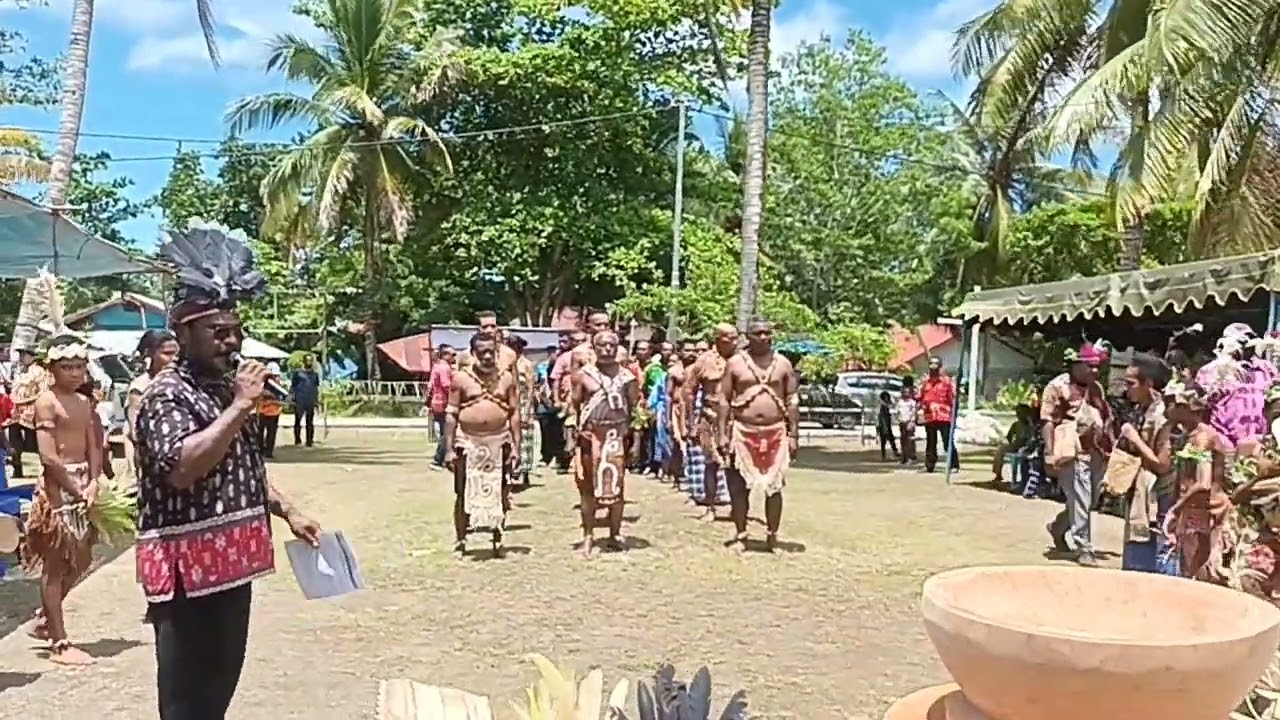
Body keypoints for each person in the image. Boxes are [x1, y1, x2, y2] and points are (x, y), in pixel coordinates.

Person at [134, 224, 321, 720]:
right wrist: (241, 405)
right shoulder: (166, 396)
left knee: (218, 690)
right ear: (184, 333)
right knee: (186, 700)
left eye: (235, 331)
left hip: (232, 564)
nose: (232, 342)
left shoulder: (222, 391)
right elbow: (181, 468)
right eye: (218, 333)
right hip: (187, 572)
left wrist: (285, 510)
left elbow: (241, 464)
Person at [20, 299, 101, 666]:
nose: (75, 372)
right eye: (67, 366)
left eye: (79, 366)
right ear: (52, 369)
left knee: (81, 559)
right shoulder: (46, 403)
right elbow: (49, 456)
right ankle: (60, 642)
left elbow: (94, 444)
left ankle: (44, 620)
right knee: (57, 563)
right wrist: (74, 487)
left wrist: (95, 480)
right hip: (58, 490)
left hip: (85, 484)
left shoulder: (85, 403)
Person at [716, 320, 799, 553]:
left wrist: (794, 434)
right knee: (738, 486)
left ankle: (772, 536)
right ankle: (741, 534)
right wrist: (722, 433)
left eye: (767, 333)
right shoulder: (735, 363)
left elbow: (792, 399)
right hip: (742, 431)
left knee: (774, 487)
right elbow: (724, 399)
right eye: (758, 333)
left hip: (775, 432)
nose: (763, 337)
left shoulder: (782, 364)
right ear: (747, 336)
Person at [443, 332, 520, 557]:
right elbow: (451, 414)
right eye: (482, 352)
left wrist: (516, 446)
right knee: (463, 491)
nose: (487, 356)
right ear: (473, 353)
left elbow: (514, 413)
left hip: (500, 440)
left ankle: (497, 537)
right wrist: (448, 449)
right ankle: (461, 539)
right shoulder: (460, 378)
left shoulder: (506, 378)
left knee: (500, 490)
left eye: (491, 351)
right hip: (467, 442)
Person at [1042, 341, 1113, 567]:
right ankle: (1084, 547)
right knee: (1081, 499)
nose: (1094, 371)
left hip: (1096, 452)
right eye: (1089, 366)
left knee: (1088, 501)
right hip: (1071, 453)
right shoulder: (1056, 387)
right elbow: (1048, 421)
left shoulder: (1096, 389)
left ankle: (1059, 526)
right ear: (1075, 365)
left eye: (1096, 366)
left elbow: (1106, 416)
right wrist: (1049, 452)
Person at [570, 330, 638, 557]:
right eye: (602, 345)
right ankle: (588, 536)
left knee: (617, 488)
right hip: (592, 436)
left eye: (612, 345)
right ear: (594, 348)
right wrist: (573, 438)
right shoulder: (583, 375)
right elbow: (575, 406)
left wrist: (634, 441)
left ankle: (614, 534)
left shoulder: (627, 377)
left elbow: (634, 410)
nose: (607, 349)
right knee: (588, 488)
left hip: (617, 437)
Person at [1115, 353, 1179, 575]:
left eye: (1131, 383)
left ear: (1148, 383)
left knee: (1147, 554)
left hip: (1157, 496)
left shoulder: (1162, 416)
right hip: (1141, 490)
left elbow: (1162, 465)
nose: (1127, 389)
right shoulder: (1141, 410)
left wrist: (1134, 439)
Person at [1162, 380, 1232, 582]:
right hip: (1193, 509)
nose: (1169, 408)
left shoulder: (1202, 439)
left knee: (1195, 571)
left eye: (1173, 403)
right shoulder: (1191, 435)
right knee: (1188, 568)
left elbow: (1203, 483)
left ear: (1186, 407)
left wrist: (1176, 508)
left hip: (1203, 511)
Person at [686, 325, 735, 519]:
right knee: (711, 464)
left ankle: (736, 507)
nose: (735, 342)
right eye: (730, 338)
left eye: (736, 337)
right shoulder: (704, 361)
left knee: (736, 466)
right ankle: (710, 507)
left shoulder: (740, 361)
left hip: (735, 418)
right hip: (710, 416)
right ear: (718, 339)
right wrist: (691, 423)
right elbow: (689, 391)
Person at [126, 329, 180, 483]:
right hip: (154, 464)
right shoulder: (140, 387)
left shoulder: (182, 382)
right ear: (150, 354)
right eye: (167, 354)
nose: (174, 359)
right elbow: (135, 432)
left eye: (176, 354)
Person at [9, 347, 44, 479]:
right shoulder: (21, 371)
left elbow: (42, 391)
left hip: (31, 410)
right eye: (20, 355)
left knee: (33, 441)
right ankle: (17, 467)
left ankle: (39, 469)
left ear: (31, 356)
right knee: (13, 438)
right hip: (16, 410)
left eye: (24, 355)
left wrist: (25, 400)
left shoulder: (39, 371)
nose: (21, 358)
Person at [919, 357, 959, 472]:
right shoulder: (925, 383)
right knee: (931, 442)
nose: (933, 366)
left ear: (940, 366)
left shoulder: (947, 382)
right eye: (931, 364)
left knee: (947, 441)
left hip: (944, 416)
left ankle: (954, 464)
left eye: (935, 364)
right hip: (930, 416)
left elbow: (953, 398)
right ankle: (930, 464)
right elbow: (920, 397)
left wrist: (953, 414)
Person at [509, 335, 536, 485]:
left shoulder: (526, 364)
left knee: (525, 437)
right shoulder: (508, 362)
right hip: (511, 403)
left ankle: (524, 470)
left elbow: (531, 388)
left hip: (524, 402)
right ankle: (512, 469)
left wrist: (526, 409)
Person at [992, 404, 1036, 484]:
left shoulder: (1031, 424)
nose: (1019, 415)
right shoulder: (1016, 424)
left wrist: (1031, 423)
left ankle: (1023, 478)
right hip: (1016, 444)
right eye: (1018, 413)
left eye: (1022, 413)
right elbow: (1009, 436)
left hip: (1028, 446)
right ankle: (998, 473)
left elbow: (1033, 436)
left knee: (1022, 453)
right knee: (1000, 450)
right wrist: (1011, 444)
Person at [429, 345, 456, 468]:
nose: (454, 357)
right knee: (446, 432)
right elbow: (446, 386)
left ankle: (443, 458)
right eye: (452, 354)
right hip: (443, 403)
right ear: (445, 355)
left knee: (444, 432)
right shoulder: (444, 368)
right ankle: (438, 459)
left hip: (437, 402)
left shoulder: (437, 366)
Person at [535, 345, 561, 468]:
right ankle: (545, 456)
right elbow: (538, 383)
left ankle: (557, 456)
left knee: (557, 431)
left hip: (558, 401)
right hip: (544, 402)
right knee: (545, 430)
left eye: (555, 352)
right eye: (551, 353)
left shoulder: (561, 366)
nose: (553, 355)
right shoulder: (542, 367)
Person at [289, 353, 321, 447]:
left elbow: (316, 387)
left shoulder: (314, 375)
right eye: (307, 360)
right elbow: (293, 387)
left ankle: (309, 440)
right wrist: (291, 399)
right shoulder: (298, 374)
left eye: (310, 360)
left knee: (310, 422)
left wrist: (317, 399)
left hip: (310, 400)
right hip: (299, 400)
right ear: (304, 361)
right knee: (297, 421)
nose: (309, 362)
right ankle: (297, 439)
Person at [257, 363, 284, 459]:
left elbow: (282, 397)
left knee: (271, 433)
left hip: (273, 411)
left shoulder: (278, 384)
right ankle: (261, 450)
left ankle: (268, 451)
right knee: (260, 433)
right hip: (263, 411)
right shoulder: (262, 383)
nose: (275, 377)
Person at [895, 386, 918, 464]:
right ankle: (904, 457)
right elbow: (897, 412)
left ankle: (912, 457)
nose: (905, 394)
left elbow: (914, 413)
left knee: (910, 441)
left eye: (907, 392)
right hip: (902, 422)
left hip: (909, 422)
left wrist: (912, 422)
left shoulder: (912, 402)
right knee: (903, 440)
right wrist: (897, 419)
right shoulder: (900, 402)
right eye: (904, 392)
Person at [876, 390, 899, 462]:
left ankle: (893, 452)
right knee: (884, 440)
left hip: (886, 423)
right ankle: (885, 455)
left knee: (890, 439)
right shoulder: (882, 406)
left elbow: (891, 404)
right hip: (883, 423)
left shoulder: (884, 405)